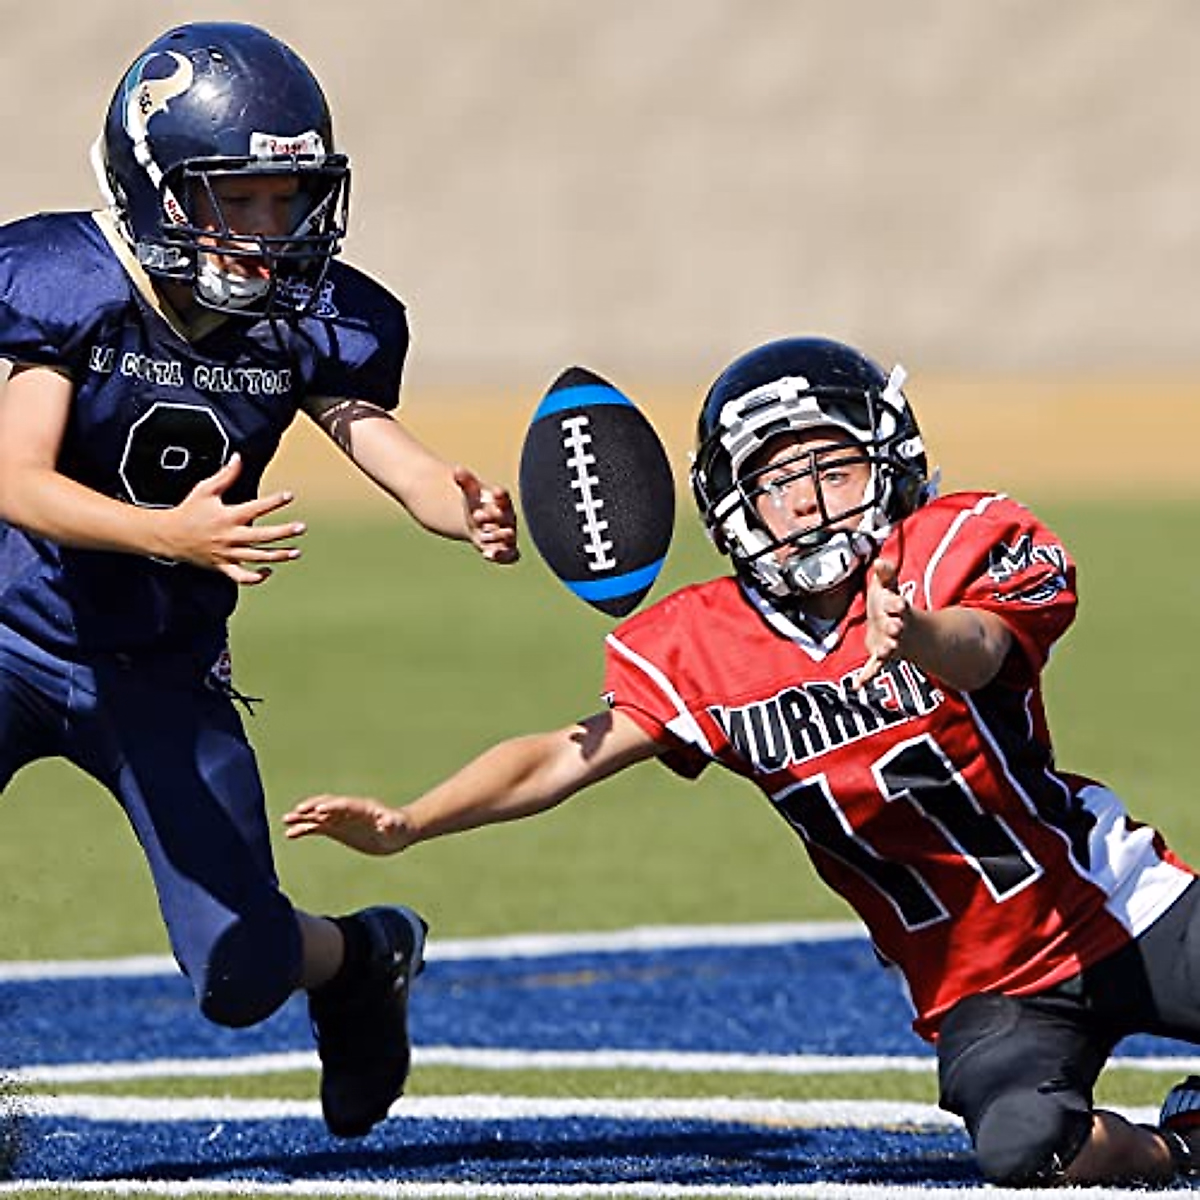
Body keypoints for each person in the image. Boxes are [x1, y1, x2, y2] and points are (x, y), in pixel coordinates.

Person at [286, 333, 1200, 1186]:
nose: (806, 500)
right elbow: (565, 755)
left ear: (891, 467)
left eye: (833, 468)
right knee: (1022, 1147)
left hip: (1111, 903)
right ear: (733, 506)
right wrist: (415, 821)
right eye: (774, 480)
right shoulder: (703, 643)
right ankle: (1181, 1138)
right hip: (980, 981)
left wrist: (917, 634)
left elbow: (986, 647)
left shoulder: (948, 550)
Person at [0, 21, 518, 1140]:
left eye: (287, 200)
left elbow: (376, 437)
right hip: (12, 635)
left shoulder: (314, 318)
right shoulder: (64, 283)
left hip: (160, 669)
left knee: (240, 973)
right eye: (238, 199)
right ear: (155, 186)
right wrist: (164, 535)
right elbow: (17, 480)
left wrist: (455, 504)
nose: (269, 229)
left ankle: (361, 960)